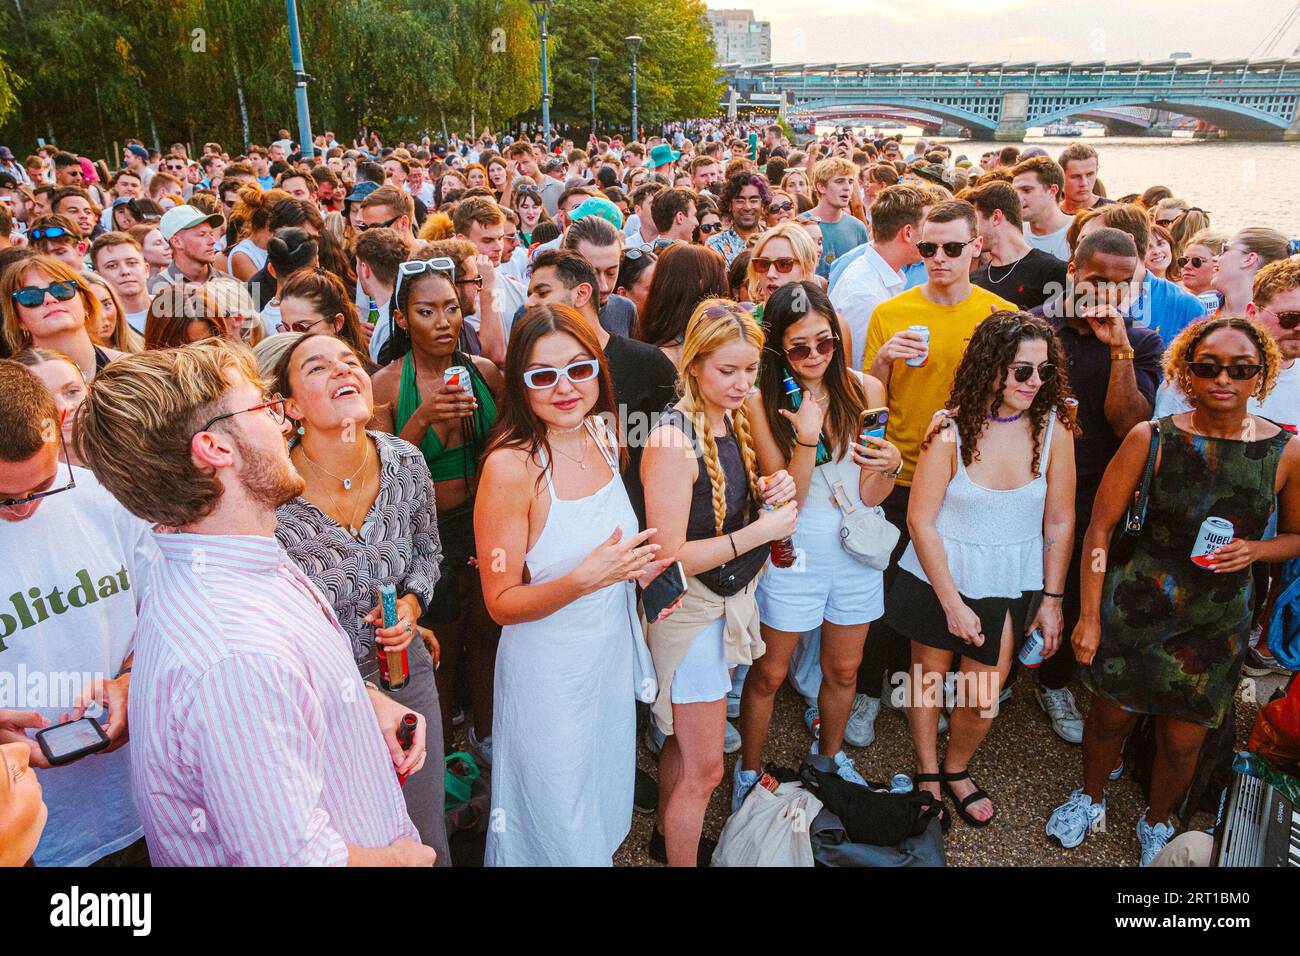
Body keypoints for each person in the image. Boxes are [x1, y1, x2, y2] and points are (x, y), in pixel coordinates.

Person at [76, 339, 434, 866]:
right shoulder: (235, 655)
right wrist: (407, 860)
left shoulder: (234, 552)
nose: (283, 423)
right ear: (216, 449)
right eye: (263, 409)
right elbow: (293, 860)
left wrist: (358, 703)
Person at [1047, 316, 1300, 866]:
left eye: (1241, 369)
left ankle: (1158, 820)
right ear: (1187, 372)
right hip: (1135, 605)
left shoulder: (1286, 452)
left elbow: (1296, 538)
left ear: (1262, 375)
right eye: (1207, 367)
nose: (1223, 380)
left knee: (1184, 741)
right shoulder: (1152, 438)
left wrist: (1257, 551)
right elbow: (1100, 527)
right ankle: (1089, 796)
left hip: (1215, 619)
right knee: (1109, 719)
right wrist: (1088, 616)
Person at [475, 304, 667, 866]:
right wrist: (585, 579)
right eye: (542, 376)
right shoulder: (511, 468)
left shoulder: (606, 434)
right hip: (548, 675)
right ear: (520, 384)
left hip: (605, 658)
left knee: (598, 792)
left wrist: (639, 568)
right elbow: (499, 603)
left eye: (580, 369)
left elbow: (610, 545)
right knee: (552, 812)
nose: (565, 388)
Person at [885, 312, 1077, 827]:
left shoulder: (1055, 430)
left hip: (1010, 579)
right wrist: (951, 603)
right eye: (1021, 371)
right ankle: (927, 771)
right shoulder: (948, 430)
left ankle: (956, 769)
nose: (1034, 383)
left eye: (1044, 372)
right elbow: (920, 521)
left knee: (982, 695)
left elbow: (1060, 519)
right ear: (990, 369)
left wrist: (1054, 602)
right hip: (940, 574)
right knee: (928, 679)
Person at [271, 331, 450, 863]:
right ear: (289, 406)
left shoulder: (405, 462)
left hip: (403, 670)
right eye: (318, 368)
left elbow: (427, 553)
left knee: (422, 820)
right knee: (348, 827)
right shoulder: (271, 488)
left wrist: (414, 606)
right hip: (316, 691)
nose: (343, 371)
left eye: (349, 361)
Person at [641, 299, 797, 866]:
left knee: (686, 746)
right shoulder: (671, 440)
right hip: (690, 616)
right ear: (694, 366)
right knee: (707, 770)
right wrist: (762, 531)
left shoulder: (732, 421)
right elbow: (668, 554)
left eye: (749, 370)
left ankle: (666, 838)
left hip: (721, 607)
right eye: (726, 370)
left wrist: (772, 500)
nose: (740, 383)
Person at [736, 281, 903, 806]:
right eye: (798, 347)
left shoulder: (865, 390)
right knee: (769, 671)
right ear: (777, 349)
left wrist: (891, 467)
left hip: (855, 548)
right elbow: (791, 496)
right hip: (794, 545)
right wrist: (807, 436)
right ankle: (747, 771)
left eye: (824, 342)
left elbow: (871, 492)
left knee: (845, 668)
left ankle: (829, 760)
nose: (813, 356)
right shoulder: (762, 399)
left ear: (837, 336)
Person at [0, 360, 155, 866]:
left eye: (42, 486)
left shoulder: (108, 496)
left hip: (141, 803)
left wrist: (132, 682)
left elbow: (164, 613)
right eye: (4, 498)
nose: (24, 508)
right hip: (26, 837)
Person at [1027, 228, 1165, 743]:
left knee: (1077, 583)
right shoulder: (1032, 327)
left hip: (1093, 492)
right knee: (1016, 580)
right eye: (1096, 279)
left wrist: (1120, 353)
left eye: (1121, 282)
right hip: (1025, 481)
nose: (1107, 291)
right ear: (1072, 271)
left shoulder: (1143, 341)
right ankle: (992, 674)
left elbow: (1130, 423)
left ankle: (1055, 680)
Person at [370, 258, 503, 763]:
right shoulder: (385, 384)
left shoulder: (485, 372)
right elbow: (379, 479)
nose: (444, 322)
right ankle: (443, 750)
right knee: (439, 648)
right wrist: (423, 418)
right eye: (426, 311)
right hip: (424, 535)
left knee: (488, 638)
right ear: (402, 319)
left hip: (482, 521)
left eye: (452, 308)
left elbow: (509, 453)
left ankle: (487, 739)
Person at [527, 248, 677, 525]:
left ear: (582, 294)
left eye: (542, 292)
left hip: (642, 534)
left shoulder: (647, 364)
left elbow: (684, 450)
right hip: (562, 536)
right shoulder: (532, 374)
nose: (529, 303)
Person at [829, 184, 928, 371]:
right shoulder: (865, 296)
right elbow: (859, 373)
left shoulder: (878, 273)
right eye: (927, 227)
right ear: (907, 233)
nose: (932, 235)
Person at [1, 254, 124, 382]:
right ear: (18, 319)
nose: (50, 299)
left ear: (85, 304)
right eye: (31, 296)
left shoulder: (134, 369)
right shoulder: (8, 389)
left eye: (61, 289)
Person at [969, 181, 1067, 311]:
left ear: (996, 218)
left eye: (974, 221)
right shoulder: (974, 279)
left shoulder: (1053, 271)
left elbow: (1067, 327)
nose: (971, 230)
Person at [12, 348, 87, 466]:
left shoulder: (125, 447)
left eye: (72, 392)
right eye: (43, 398)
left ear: (90, 391)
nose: (64, 408)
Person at [148, 204, 231, 292]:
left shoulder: (232, 286)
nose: (212, 241)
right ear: (177, 242)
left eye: (211, 234)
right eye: (202, 235)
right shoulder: (155, 290)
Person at [810, 158, 870, 279]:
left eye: (850, 182)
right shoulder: (800, 224)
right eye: (839, 181)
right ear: (821, 187)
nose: (847, 187)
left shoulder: (857, 227)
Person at [1211, 227, 1291, 317]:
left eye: (1224, 250)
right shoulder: (1203, 307)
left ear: (1249, 259)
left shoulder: (1277, 322)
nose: (1214, 258)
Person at [1011, 156, 1073, 261]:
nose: (1018, 198)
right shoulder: (1014, 235)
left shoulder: (1080, 230)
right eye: (1014, 192)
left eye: (1026, 190)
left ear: (1052, 191)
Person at [89, 232, 151, 333]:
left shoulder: (173, 308)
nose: (125, 271)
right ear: (98, 276)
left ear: (146, 269)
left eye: (131, 263)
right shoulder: (101, 325)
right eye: (112, 266)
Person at [707, 172, 768, 266]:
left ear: (762, 205)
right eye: (740, 201)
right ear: (730, 205)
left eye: (753, 201)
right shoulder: (715, 244)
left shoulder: (773, 239)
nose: (747, 207)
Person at [1057, 143, 1111, 215]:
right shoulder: (1045, 215)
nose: (1084, 183)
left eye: (1089, 175)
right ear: (1061, 177)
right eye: (1076, 176)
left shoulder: (1115, 214)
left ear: (1096, 172)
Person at [1177, 228, 1229, 299]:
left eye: (1196, 261)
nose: (1186, 266)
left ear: (1219, 265)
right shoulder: (1172, 300)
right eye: (1184, 260)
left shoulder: (1233, 303)